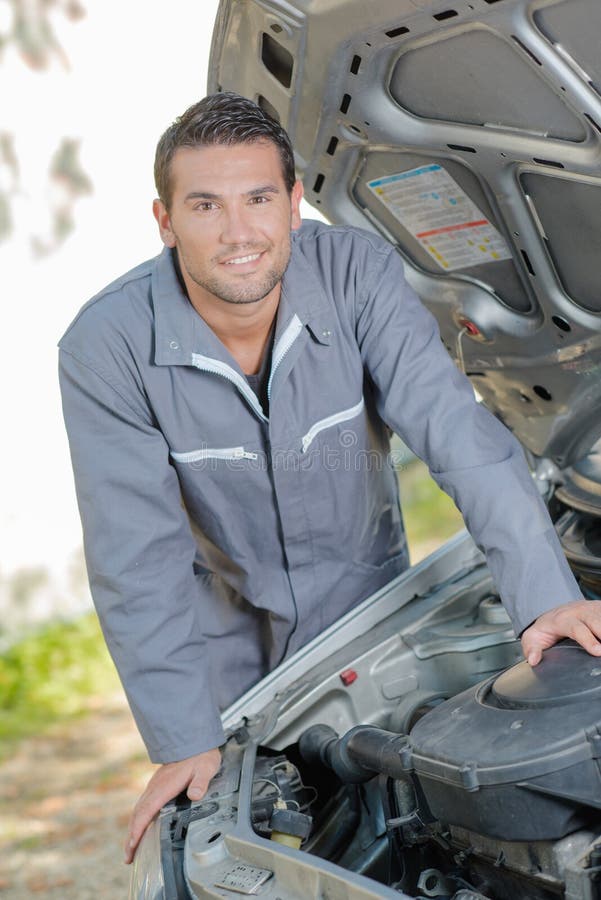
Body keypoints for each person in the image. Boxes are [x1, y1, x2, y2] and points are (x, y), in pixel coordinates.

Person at [58, 92, 601, 864]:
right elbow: (132, 554)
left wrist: (544, 594)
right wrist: (181, 739)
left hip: (367, 606)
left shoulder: (358, 274)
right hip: (227, 646)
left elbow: (456, 433)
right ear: (164, 220)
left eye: (257, 199)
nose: (238, 232)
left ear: (293, 204)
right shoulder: (105, 346)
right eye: (205, 205)